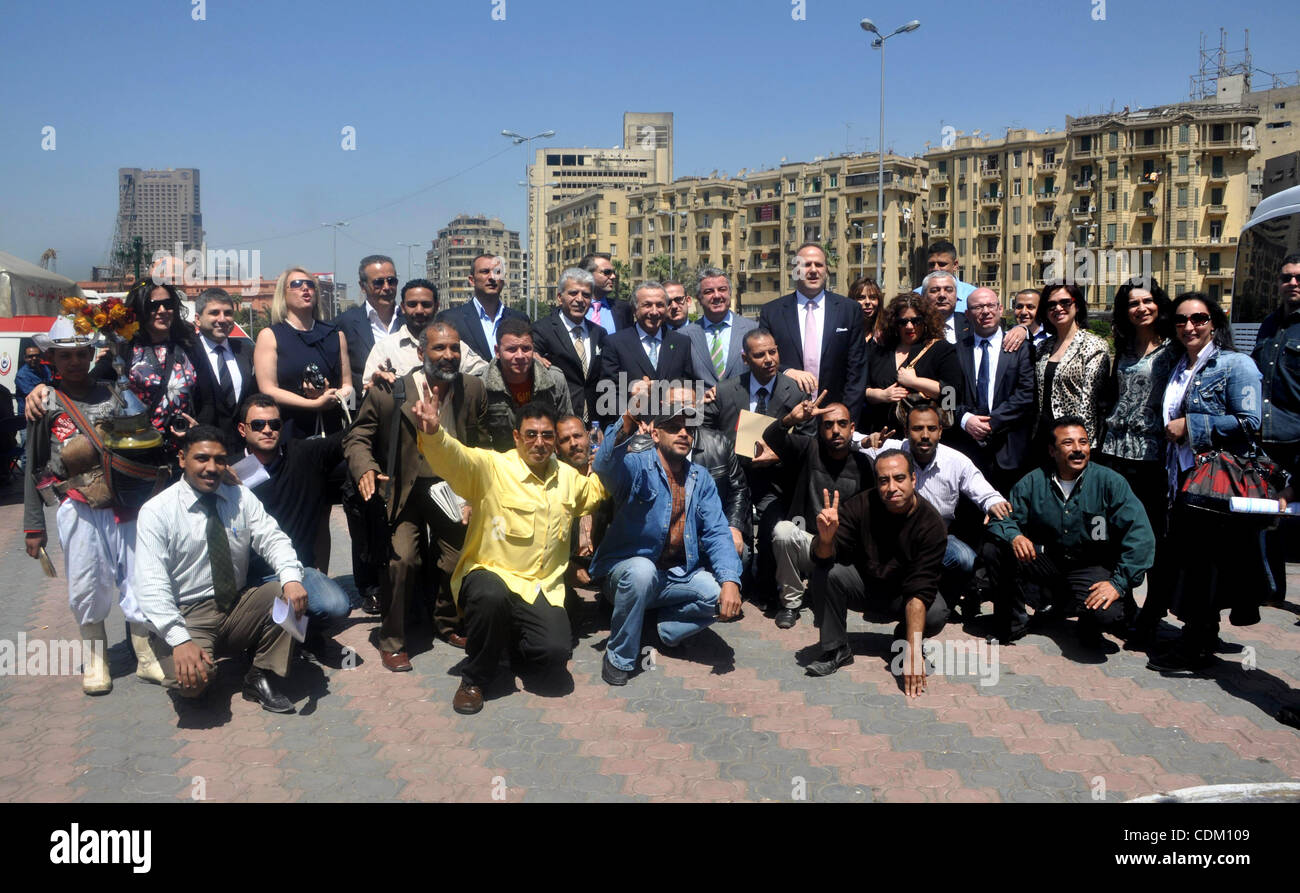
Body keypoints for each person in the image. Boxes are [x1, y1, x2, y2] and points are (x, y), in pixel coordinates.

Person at [414, 396, 605, 715]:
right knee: (490, 596)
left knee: (555, 655)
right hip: (491, 575)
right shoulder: (492, 467)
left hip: (540, 587)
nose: (539, 442)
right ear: (516, 437)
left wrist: (618, 450)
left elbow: (596, 493)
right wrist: (435, 433)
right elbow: (454, 458)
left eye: (547, 436)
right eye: (531, 434)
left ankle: (507, 645)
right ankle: (474, 678)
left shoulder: (568, 478)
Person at [23, 319, 163, 694]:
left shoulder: (116, 394)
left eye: (80, 354)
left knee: (138, 577)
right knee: (87, 583)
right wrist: (33, 526)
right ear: (51, 358)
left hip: (125, 504)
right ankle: (97, 660)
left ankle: (146, 655)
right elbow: (34, 465)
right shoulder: (46, 402)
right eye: (64, 355)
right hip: (79, 506)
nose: (73, 362)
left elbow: (147, 439)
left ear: (90, 355)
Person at [134, 425, 308, 713]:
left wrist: (291, 578)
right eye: (202, 458)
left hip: (236, 605)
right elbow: (151, 586)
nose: (212, 468)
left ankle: (260, 675)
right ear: (182, 459)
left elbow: (273, 538)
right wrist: (180, 640)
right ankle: (176, 657)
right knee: (194, 684)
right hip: (187, 614)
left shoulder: (240, 497)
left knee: (287, 596)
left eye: (220, 460)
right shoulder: (157, 511)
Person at [345, 321, 486, 668]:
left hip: (451, 487)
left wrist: (475, 495)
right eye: (440, 349)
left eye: (455, 348)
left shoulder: (472, 389)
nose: (449, 356)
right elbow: (357, 436)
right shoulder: (390, 391)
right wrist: (365, 467)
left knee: (459, 557)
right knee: (402, 559)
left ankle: (447, 621)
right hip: (404, 490)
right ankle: (392, 639)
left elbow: (483, 445)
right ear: (422, 353)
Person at [1147, 295, 1270, 672]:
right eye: (1182, 320)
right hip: (1181, 475)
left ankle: (1197, 644)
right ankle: (1199, 633)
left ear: (1213, 322)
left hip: (1215, 480)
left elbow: (1250, 421)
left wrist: (1192, 425)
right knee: (1192, 560)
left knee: (1204, 562)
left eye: (1198, 318)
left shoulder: (1237, 364)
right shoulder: (1179, 365)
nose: (1190, 326)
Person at [588, 391, 743, 686]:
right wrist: (627, 421)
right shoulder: (635, 466)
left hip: (674, 576)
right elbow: (603, 465)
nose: (683, 433)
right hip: (625, 574)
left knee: (715, 593)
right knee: (642, 572)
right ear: (656, 435)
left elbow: (717, 532)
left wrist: (731, 582)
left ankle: (661, 630)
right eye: (674, 427)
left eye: (688, 428)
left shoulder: (701, 477)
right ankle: (620, 655)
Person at [987, 416, 1155, 649]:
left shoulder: (1111, 483)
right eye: (1068, 443)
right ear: (1052, 450)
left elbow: (1141, 537)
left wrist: (1118, 583)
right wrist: (1015, 536)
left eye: (1083, 442)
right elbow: (1000, 519)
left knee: (1106, 615)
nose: (1078, 449)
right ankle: (1014, 623)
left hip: (1091, 566)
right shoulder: (1033, 481)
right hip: (1048, 561)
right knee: (996, 548)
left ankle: (1088, 614)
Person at [805, 450, 950, 695]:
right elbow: (822, 557)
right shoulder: (860, 505)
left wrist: (914, 652)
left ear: (914, 479)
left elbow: (920, 588)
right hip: (866, 585)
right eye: (884, 480)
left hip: (904, 595)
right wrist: (826, 539)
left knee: (936, 612)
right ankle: (836, 648)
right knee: (826, 572)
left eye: (899, 478)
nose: (891, 487)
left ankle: (903, 641)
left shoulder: (931, 524)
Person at [234, 395, 352, 663]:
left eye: (274, 424)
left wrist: (377, 396)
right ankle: (278, 635)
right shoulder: (230, 471)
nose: (267, 430)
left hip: (298, 572)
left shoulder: (304, 455)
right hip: (249, 580)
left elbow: (351, 433)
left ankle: (301, 632)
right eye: (258, 424)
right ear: (243, 430)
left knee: (336, 605)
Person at [866, 400, 1012, 616]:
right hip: (894, 539)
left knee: (965, 559)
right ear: (906, 431)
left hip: (936, 539)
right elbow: (850, 440)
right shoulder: (890, 451)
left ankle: (944, 602)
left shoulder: (956, 461)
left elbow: (984, 491)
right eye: (917, 428)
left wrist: (993, 503)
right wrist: (865, 442)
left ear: (940, 431)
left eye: (931, 429)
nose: (925, 435)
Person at [705, 328, 807, 610]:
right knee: (737, 548)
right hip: (734, 479)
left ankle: (772, 592)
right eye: (759, 355)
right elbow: (706, 431)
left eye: (772, 352)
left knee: (773, 534)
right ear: (745, 358)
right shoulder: (725, 390)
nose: (768, 360)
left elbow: (806, 440)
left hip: (775, 480)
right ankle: (731, 583)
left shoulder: (795, 391)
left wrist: (779, 453)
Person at [1099, 280, 1176, 646]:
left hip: (1152, 455)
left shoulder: (1172, 349)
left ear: (1159, 305)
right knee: (1116, 534)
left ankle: (1154, 612)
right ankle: (1124, 605)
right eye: (1133, 303)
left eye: (1147, 301)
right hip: (1114, 452)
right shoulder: (1122, 347)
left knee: (1152, 536)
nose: (1141, 308)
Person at [764, 393, 875, 629]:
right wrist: (790, 419)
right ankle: (791, 603)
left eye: (842, 424)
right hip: (809, 542)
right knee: (783, 531)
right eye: (828, 425)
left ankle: (826, 587)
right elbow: (771, 437)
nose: (836, 430)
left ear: (852, 428)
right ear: (819, 428)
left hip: (843, 550)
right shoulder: (807, 448)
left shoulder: (865, 464)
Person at [758, 243, 867, 420]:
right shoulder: (772, 312)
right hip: (786, 415)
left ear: (826, 270)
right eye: (806, 265)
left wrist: (846, 416)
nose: (813, 270)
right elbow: (761, 359)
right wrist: (786, 371)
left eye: (819, 264)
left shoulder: (849, 310)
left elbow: (857, 369)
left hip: (833, 417)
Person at [950, 288, 1037, 494]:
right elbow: (946, 394)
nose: (985, 311)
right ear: (968, 314)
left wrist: (992, 422)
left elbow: (1026, 394)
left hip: (1009, 449)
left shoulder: (1022, 348)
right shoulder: (955, 350)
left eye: (990, 305)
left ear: (1000, 309)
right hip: (966, 448)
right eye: (978, 307)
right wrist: (965, 419)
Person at [1251, 252, 1300, 605]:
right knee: (1269, 522)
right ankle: (1271, 593)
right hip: (1267, 442)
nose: (1292, 283)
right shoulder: (1269, 324)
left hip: (1298, 443)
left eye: (1299, 277)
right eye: (1286, 277)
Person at [253, 267, 353, 439]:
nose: (305, 288)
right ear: (283, 293)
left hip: (333, 429)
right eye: (297, 284)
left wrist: (332, 397)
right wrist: (312, 404)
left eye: (310, 285)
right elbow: (268, 389)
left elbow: (348, 386)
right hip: (291, 430)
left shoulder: (336, 335)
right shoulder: (270, 336)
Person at [109, 278, 200, 455]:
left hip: (184, 450)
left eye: (168, 304)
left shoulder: (189, 344)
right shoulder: (125, 347)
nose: (162, 311)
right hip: (140, 453)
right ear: (140, 310)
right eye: (153, 306)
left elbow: (207, 397)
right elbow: (89, 381)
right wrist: (44, 389)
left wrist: (199, 429)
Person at [861, 292, 961, 434]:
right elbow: (862, 389)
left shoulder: (941, 349)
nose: (909, 326)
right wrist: (882, 395)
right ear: (894, 323)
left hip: (925, 440)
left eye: (916, 321)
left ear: (925, 321)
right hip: (882, 434)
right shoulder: (880, 350)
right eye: (903, 322)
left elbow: (952, 395)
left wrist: (915, 382)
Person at [1033, 282, 1110, 449]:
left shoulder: (1094, 345)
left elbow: (1088, 402)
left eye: (1065, 302)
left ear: (1078, 306)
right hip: (1043, 437)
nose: (1058, 308)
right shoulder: (1043, 347)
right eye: (1051, 304)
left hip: (1073, 441)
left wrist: (1082, 444)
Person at [599, 281, 699, 407]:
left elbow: (690, 384)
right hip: (635, 423)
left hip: (672, 422)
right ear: (635, 309)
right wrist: (632, 396)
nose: (654, 311)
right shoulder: (615, 343)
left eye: (660, 305)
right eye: (647, 305)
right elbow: (608, 394)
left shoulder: (681, 342)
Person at [482, 318, 572, 451]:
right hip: (500, 465)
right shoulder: (481, 385)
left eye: (526, 349)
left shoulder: (554, 380)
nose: (520, 356)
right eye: (511, 349)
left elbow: (566, 429)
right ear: (497, 351)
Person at [531, 268, 607, 424]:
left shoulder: (599, 333)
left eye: (586, 295)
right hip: (558, 419)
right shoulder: (542, 329)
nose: (580, 300)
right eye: (573, 293)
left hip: (594, 422)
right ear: (560, 297)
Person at [435, 253, 527, 370]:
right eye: (485, 272)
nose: (492, 277)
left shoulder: (520, 319)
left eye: (497, 272)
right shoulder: (450, 319)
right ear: (472, 280)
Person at [190, 287, 257, 443]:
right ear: (198, 319)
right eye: (214, 313)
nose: (222, 319)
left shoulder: (246, 350)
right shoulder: (187, 353)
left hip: (243, 450)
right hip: (203, 448)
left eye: (228, 313)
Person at [336, 254, 405, 396]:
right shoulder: (345, 324)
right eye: (378, 283)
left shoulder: (410, 321)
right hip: (364, 410)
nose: (387, 287)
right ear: (363, 286)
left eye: (391, 281)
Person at [679, 268, 757, 388]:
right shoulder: (684, 336)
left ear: (730, 294)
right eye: (709, 291)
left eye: (722, 289)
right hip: (702, 404)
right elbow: (682, 380)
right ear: (699, 298)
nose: (716, 295)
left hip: (742, 404)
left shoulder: (753, 330)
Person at [912, 240, 975, 313]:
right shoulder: (916, 296)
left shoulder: (972, 295)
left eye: (942, 264)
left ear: (955, 265)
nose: (935, 268)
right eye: (931, 264)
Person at [582, 252, 633, 333]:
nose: (613, 277)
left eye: (613, 272)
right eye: (607, 272)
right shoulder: (572, 308)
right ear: (588, 275)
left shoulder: (623, 309)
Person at [15, 342, 52, 409]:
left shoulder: (44, 368)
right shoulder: (22, 375)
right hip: (29, 412)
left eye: (37, 355)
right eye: (30, 356)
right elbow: (36, 395)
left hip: (46, 407)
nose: (34, 358)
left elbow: (51, 384)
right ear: (25, 358)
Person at [847, 276, 883, 343]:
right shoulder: (844, 331)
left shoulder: (887, 333)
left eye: (873, 297)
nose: (867, 302)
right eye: (861, 298)